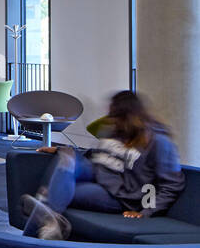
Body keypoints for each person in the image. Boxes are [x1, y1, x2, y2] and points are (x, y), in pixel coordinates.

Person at [22, 90, 185, 240]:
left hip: (117, 195)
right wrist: (59, 149)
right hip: (97, 174)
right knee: (67, 155)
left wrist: (146, 212)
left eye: (114, 116)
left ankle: (41, 224)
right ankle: (49, 215)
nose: (110, 119)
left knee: (55, 192)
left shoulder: (158, 142)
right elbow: (101, 153)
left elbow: (172, 184)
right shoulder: (118, 131)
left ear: (127, 116)